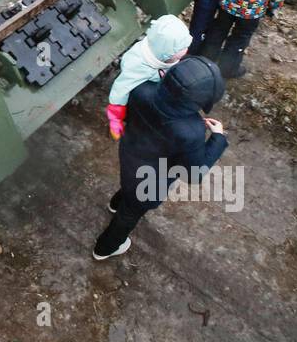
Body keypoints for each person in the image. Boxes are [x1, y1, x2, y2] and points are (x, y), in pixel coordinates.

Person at [92, 56, 228, 259]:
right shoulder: (191, 131)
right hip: (150, 181)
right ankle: (105, 248)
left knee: (129, 187)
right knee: (129, 215)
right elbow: (193, 174)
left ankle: (115, 204)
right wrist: (217, 139)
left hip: (130, 156)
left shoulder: (142, 90)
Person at [105, 15, 192, 139]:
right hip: (137, 95)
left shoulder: (161, 48)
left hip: (156, 79)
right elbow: (120, 90)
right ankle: (122, 126)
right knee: (133, 110)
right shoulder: (137, 67)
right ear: (165, 53)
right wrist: (115, 118)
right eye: (178, 54)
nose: (185, 51)